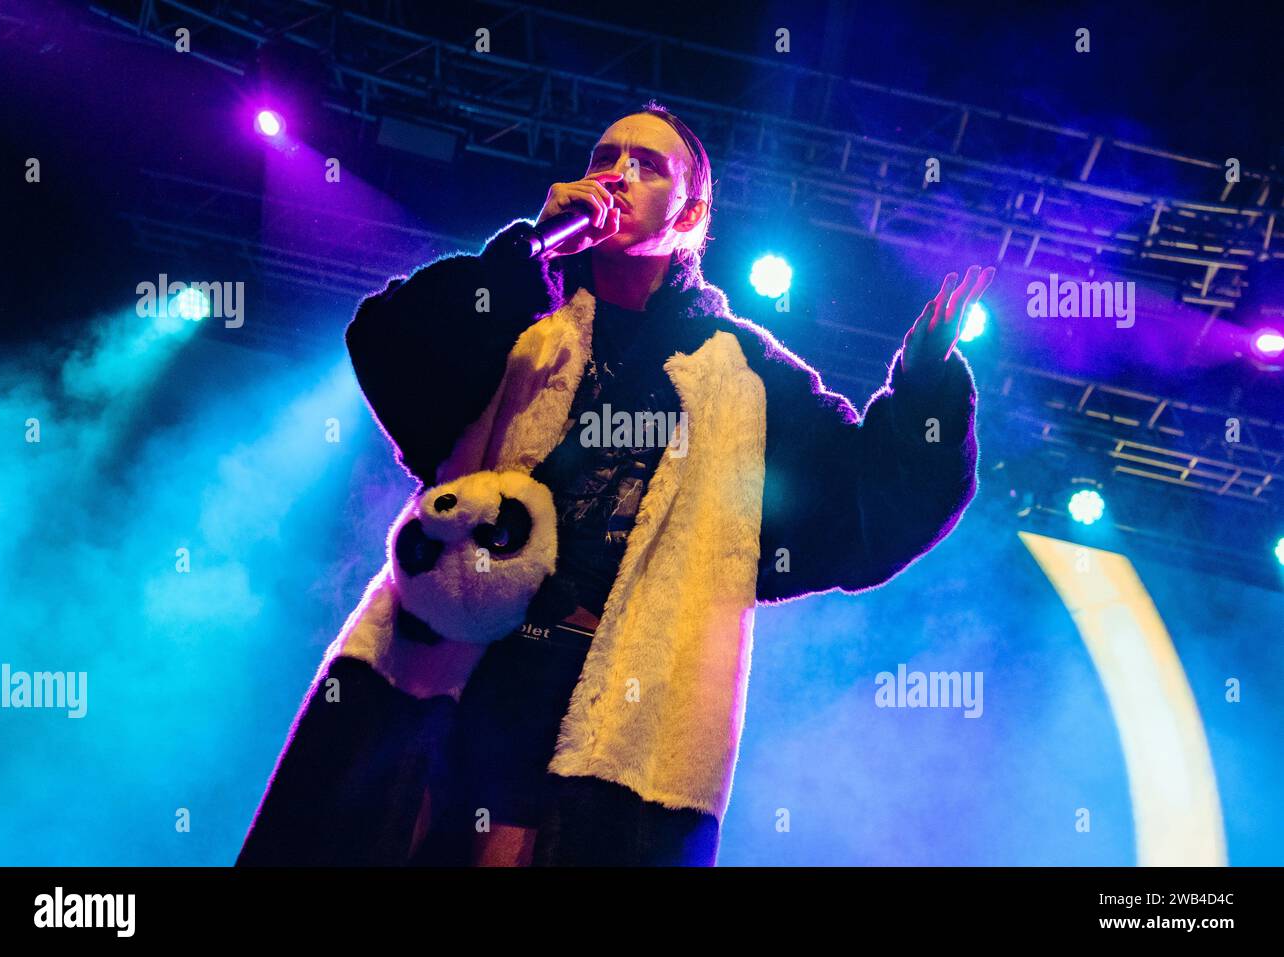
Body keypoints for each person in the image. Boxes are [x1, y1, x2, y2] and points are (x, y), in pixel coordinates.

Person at [236, 100, 994, 868]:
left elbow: (864, 509)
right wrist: (520, 258)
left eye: (647, 166)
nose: (617, 175)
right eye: (605, 157)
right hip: (449, 669)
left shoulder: (746, 371)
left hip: (616, 715)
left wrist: (924, 388)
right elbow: (388, 346)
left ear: (690, 214)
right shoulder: (523, 311)